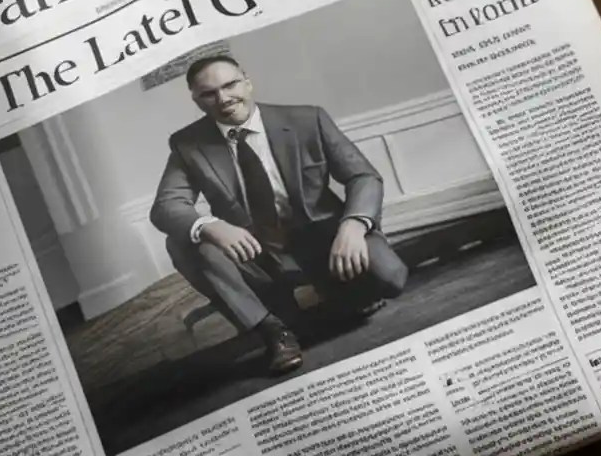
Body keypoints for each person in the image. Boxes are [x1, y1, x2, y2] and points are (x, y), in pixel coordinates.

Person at [150, 55, 408, 374]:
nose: (223, 99)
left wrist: (353, 226)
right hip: (256, 254)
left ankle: (337, 294)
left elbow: (363, 177)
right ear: (196, 99)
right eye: (208, 93)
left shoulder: (306, 119)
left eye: (230, 85)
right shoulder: (189, 144)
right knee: (184, 242)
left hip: (325, 242)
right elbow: (166, 206)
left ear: (248, 81)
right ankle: (273, 330)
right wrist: (212, 225)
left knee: (389, 280)